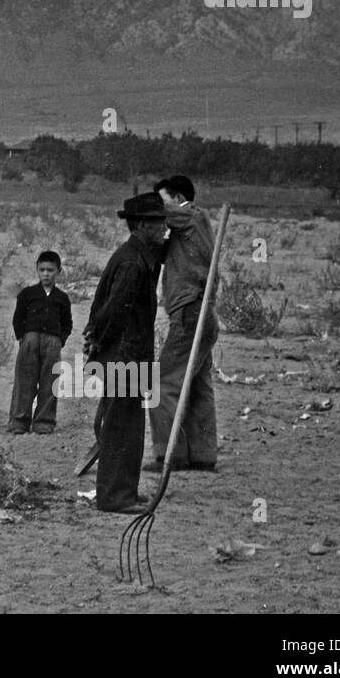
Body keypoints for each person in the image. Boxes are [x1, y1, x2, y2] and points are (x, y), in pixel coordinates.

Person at [84, 193, 165, 513]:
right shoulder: (132, 262)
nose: (164, 228)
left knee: (129, 425)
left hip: (128, 355)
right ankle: (114, 497)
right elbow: (113, 311)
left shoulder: (140, 253)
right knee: (120, 426)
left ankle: (125, 491)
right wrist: (99, 345)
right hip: (123, 356)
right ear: (143, 225)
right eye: (158, 223)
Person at [146, 175, 218, 472]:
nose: (160, 206)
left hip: (190, 314)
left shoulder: (190, 216)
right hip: (201, 315)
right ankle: (202, 455)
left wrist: (143, 209)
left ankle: (169, 454)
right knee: (199, 386)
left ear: (178, 198)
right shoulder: (189, 228)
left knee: (160, 384)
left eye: (162, 199)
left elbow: (162, 214)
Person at [7, 251, 72, 435]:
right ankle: (19, 421)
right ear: (37, 270)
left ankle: (44, 421)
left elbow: (67, 323)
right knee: (24, 381)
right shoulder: (27, 294)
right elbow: (17, 318)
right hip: (30, 340)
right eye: (42, 270)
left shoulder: (62, 298)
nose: (46, 274)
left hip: (52, 343)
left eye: (50, 270)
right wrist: (23, 338)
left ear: (58, 271)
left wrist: (60, 340)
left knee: (49, 382)